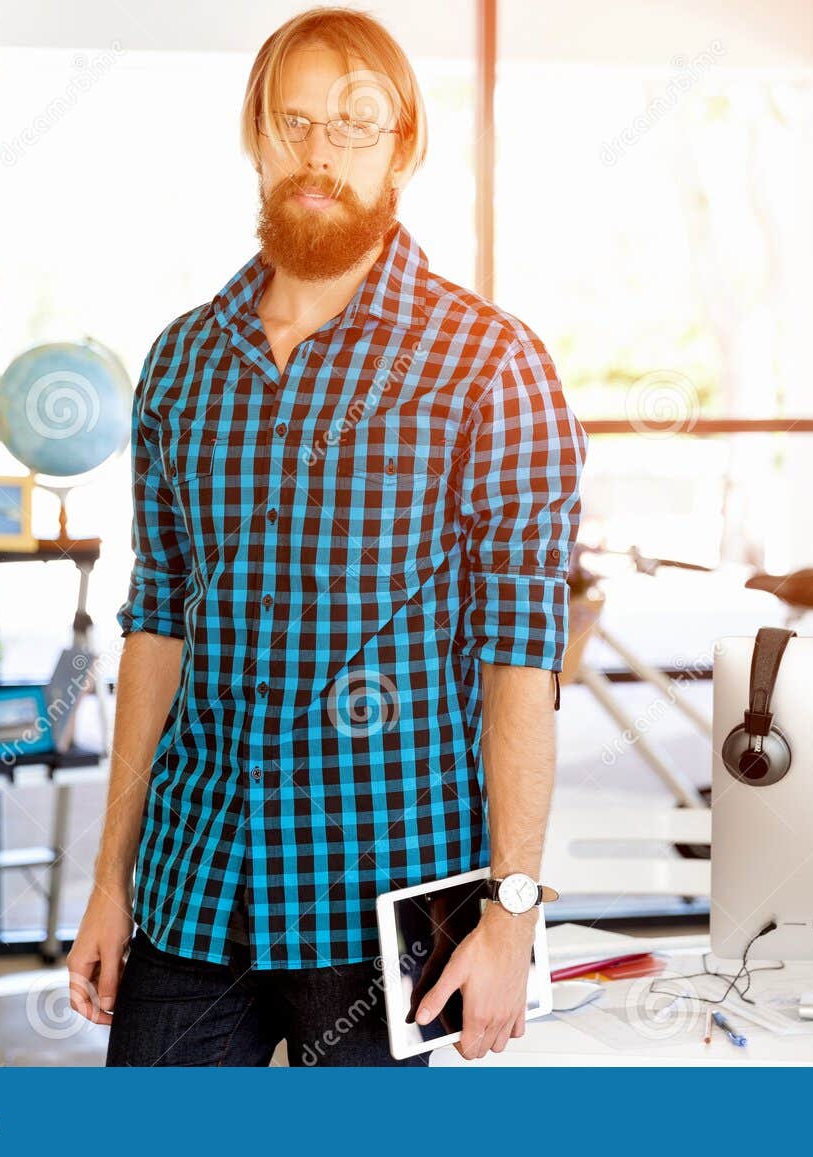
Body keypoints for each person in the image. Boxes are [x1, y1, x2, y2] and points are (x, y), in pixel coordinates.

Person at [66, 6, 587, 1067]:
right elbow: (155, 626)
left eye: (355, 125)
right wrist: (109, 883)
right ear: (256, 136)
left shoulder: (487, 363)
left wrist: (513, 908)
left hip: (390, 904)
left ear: (403, 148)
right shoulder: (182, 363)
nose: (320, 153)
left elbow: (520, 658)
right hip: (192, 886)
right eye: (294, 122)